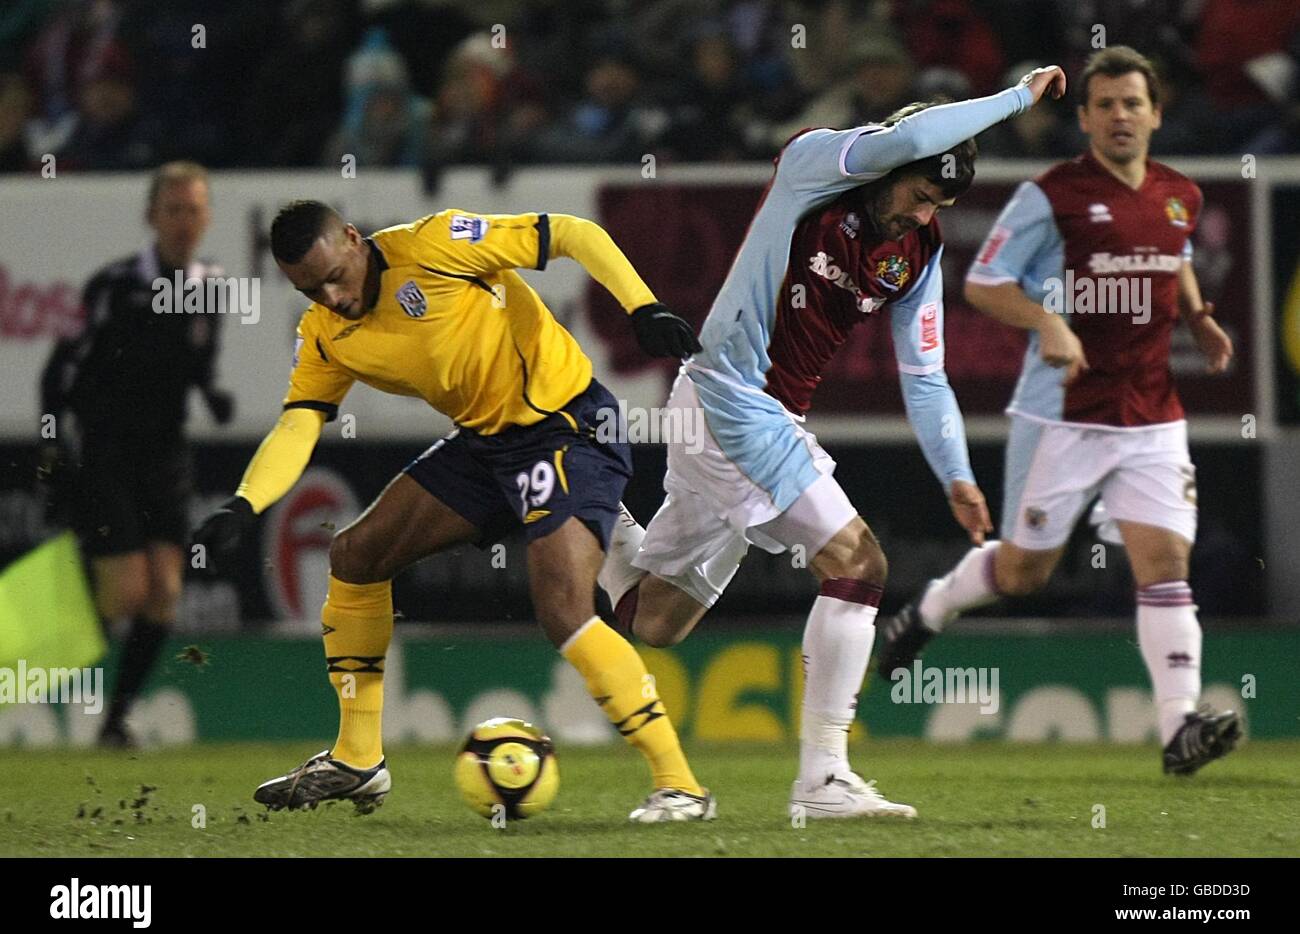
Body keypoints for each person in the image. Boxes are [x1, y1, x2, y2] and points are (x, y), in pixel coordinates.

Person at [596, 65, 1069, 819]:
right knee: (858, 561)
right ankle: (822, 780)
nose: (921, 215)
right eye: (918, 195)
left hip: (744, 414)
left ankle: (595, 522)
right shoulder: (815, 166)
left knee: (656, 623)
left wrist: (956, 474)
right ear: (889, 167)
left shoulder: (918, 253)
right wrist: (1018, 98)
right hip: (730, 395)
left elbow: (925, 373)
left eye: (937, 205)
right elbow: (913, 135)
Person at [193, 201, 715, 822]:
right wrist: (247, 502)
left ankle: (679, 785)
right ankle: (359, 760)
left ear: (354, 240)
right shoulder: (325, 334)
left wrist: (641, 305)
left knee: (564, 610)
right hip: (487, 445)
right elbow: (298, 422)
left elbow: (572, 233)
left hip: (565, 427)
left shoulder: (437, 245)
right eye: (310, 289)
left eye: (335, 276)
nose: (331, 296)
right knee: (357, 556)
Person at [876, 47, 1241, 776]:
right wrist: (1047, 322)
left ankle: (1179, 733)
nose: (1120, 117)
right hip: (1062, 416)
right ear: (1084, 118)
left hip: (1151, 414)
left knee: (1166, 563)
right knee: (1022, 574)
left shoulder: (1180, 195)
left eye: (1132, 103)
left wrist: (1198, 317)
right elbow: (984, 282)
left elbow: (1174, 256)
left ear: (1155, 114)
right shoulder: (1052, 195)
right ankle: (929, 611)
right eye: (1104, 105)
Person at [39, 160, 233, 747]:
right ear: (151, 217)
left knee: (165, 594)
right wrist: (52, 438)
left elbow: (196, 362)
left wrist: (210, 393)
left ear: (206, 218)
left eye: (193, 209)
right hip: (106, 449)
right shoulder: (115, 286)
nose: (183, 221)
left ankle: (115, 721)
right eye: (172, 209)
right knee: (126, 592)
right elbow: (61, 367)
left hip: (166, 453)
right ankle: (53, 613)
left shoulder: (211, 286)